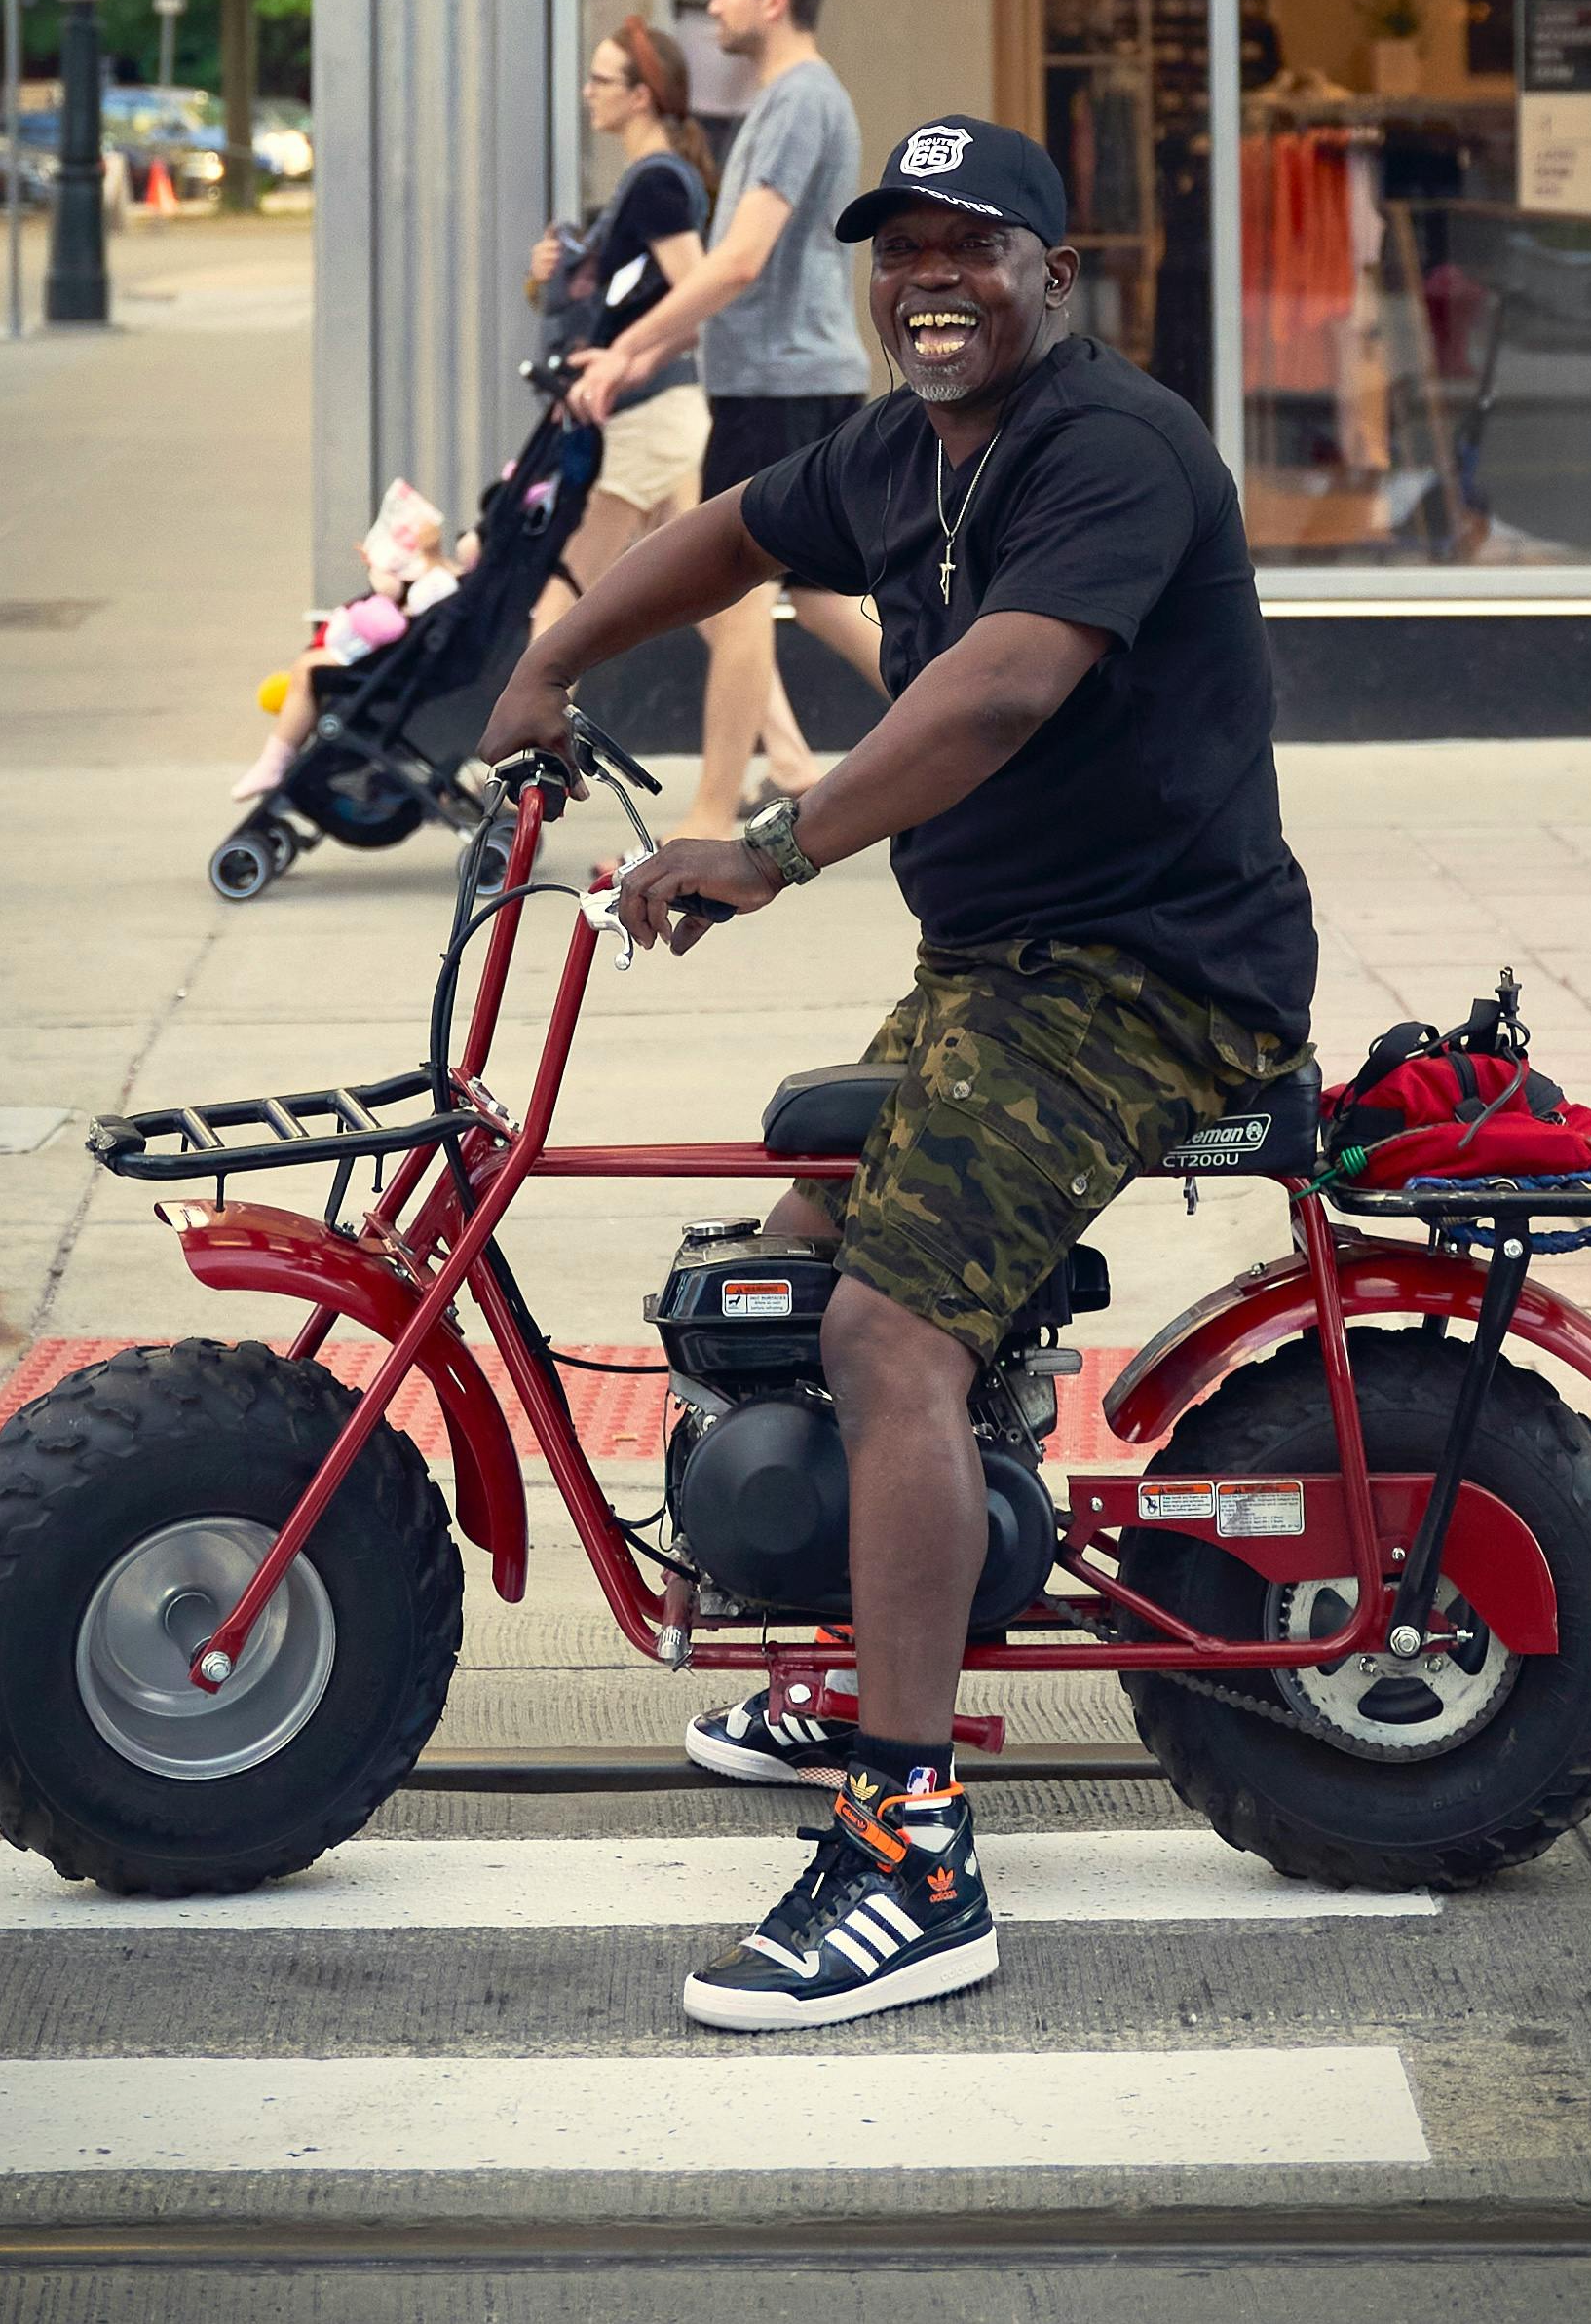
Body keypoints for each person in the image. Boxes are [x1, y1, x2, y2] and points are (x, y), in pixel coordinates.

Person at [481, 113, 1317, 2034]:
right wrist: (551, 653)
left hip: (1146, 974)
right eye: (903, 248)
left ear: (1054, 273)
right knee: (783, 1285)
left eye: (974, 243)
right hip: (1001, 963)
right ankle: (877, 1638)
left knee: (883, 1339)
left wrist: (771, 848)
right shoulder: (911, 446)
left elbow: (1003, 685)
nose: (932, 276)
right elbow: (730, 530)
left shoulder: (1107, 447)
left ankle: (910, 1845)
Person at [566, 0, 883, 836]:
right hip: (779, 380)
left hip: (780, 389)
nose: (714, 7)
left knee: (738, 588)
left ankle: (710, 812)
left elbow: (738, 263)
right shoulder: (783, 102)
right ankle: (982, 736)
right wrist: (651, 353)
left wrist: (632, 351)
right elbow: (732, 284)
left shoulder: (796, 102)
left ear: (774, 0)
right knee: (816, 594)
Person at [527, 20, 715, 623]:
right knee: (709, 605)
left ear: (640, 97)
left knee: (557, 608)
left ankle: (531, 720)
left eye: (600, 79)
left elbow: (699, 297)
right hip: (660, 415)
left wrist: (626, 360)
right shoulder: (649, 179)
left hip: (648, 420)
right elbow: (623, 302)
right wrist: (542, 277)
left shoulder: (656, 181)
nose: (587, 92)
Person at [232, 479, 462, 801]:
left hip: (403, 664)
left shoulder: (445, 579)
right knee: (307, 668)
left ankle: (274, 763)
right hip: (409, 655)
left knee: (306, 669)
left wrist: (414, 570)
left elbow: (417, 610)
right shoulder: (456, 580)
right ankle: (283, 761)